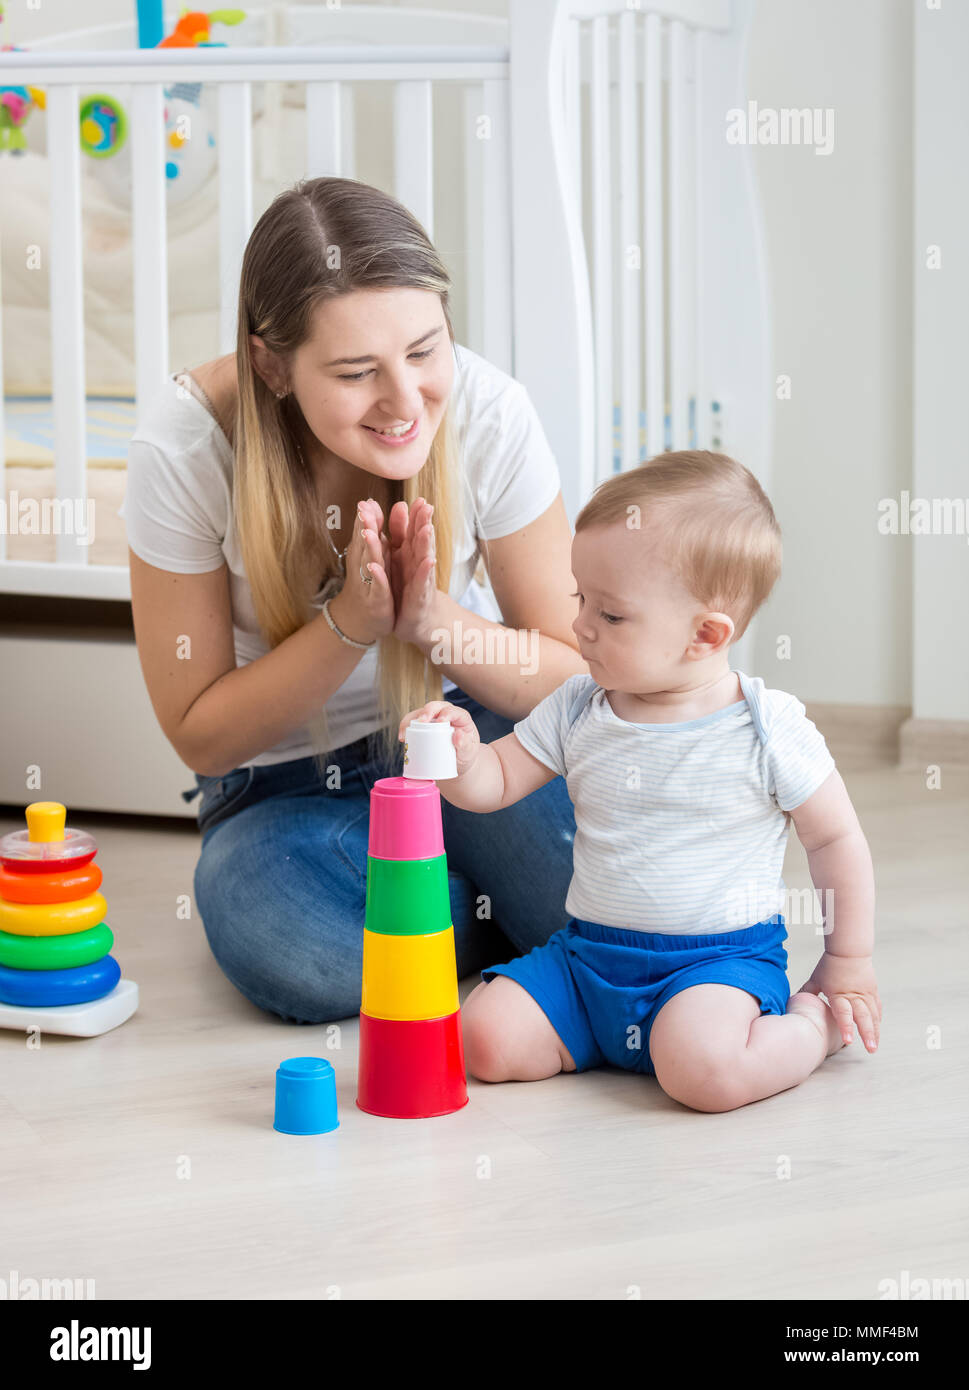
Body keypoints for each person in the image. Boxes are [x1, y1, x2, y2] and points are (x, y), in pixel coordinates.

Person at [120, 176, 587, 1023]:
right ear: (271, 363)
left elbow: (573, 676)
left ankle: (440, 915)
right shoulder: (186, 446)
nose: (406, 402)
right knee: (298, 953)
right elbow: (201, 732)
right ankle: (491, 914)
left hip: (462, 736)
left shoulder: (488, 412)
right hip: (277, 790)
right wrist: (350, 625)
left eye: (424, 350)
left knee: (599, 877)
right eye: (354, 371)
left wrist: (432, 624)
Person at [397, 451, 883, 1113]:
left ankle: (810, 1029)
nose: (580, 626)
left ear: (705, 635)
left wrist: (847, 960)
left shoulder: (766, 727)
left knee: (704, 1073)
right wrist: (461, 755)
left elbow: (834, 840)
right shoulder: (578, 706)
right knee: (483, 1040)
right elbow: (497, 782)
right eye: (581, 599)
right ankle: (608, 1039)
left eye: (612, 615)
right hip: (589, 960)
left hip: (715, 967)